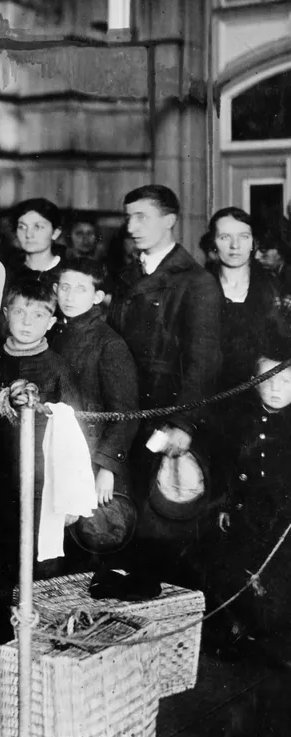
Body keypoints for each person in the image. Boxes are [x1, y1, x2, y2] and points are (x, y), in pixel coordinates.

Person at [107, 184, 222, 592]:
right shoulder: (126, 277)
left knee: (165, 520)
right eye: (128, 217)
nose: (131, 226)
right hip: (126, 413)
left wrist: (184, 423)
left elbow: (203, 363)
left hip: (166, 416)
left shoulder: (196, 282)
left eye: (142, 217)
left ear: (170, 220)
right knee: (127, 516)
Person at [0, 277, 81, 583]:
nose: (27, 323)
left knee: (42, 559)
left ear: (52, 322)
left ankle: (39, 626)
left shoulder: (57, 368)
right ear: (5, 313)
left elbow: (75, 433)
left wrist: (70, 492)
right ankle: (11, 626)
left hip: (43, 483)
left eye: (38, 316)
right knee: (4, 556)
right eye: (19, 313)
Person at [50, 259, 140, 565]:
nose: (69, 296)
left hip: (92, 461)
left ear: (97, 296)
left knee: (90, 548)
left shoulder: (108, 343)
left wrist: (108, 468)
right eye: (64, 287)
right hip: (58, 457)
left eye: (80, 288)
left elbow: (125, 413)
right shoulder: (51, 334)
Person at [208, 339, 291, 665]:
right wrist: (226, 503)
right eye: (267, 379)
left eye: (285, 381)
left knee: (279, 576)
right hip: (247, 511)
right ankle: (240, 630)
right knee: (238, 569)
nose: (275, 388)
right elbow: (227, 466)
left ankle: (277, 637)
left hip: (283, 518)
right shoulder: (238, 419)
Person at [202, 207, 291, 393]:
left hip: (262, 395)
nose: (235, 246)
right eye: (225, 237)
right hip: (208, 396)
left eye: (243, 236)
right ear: (213, 243)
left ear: (253, 242)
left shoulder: (275, 288)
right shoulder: (196, 288)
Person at [9, 198, 66, 282]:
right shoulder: (8, 272)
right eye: (22, 227)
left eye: (38, 227)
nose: (28, 234)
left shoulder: (66, 272)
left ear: (55, 233)